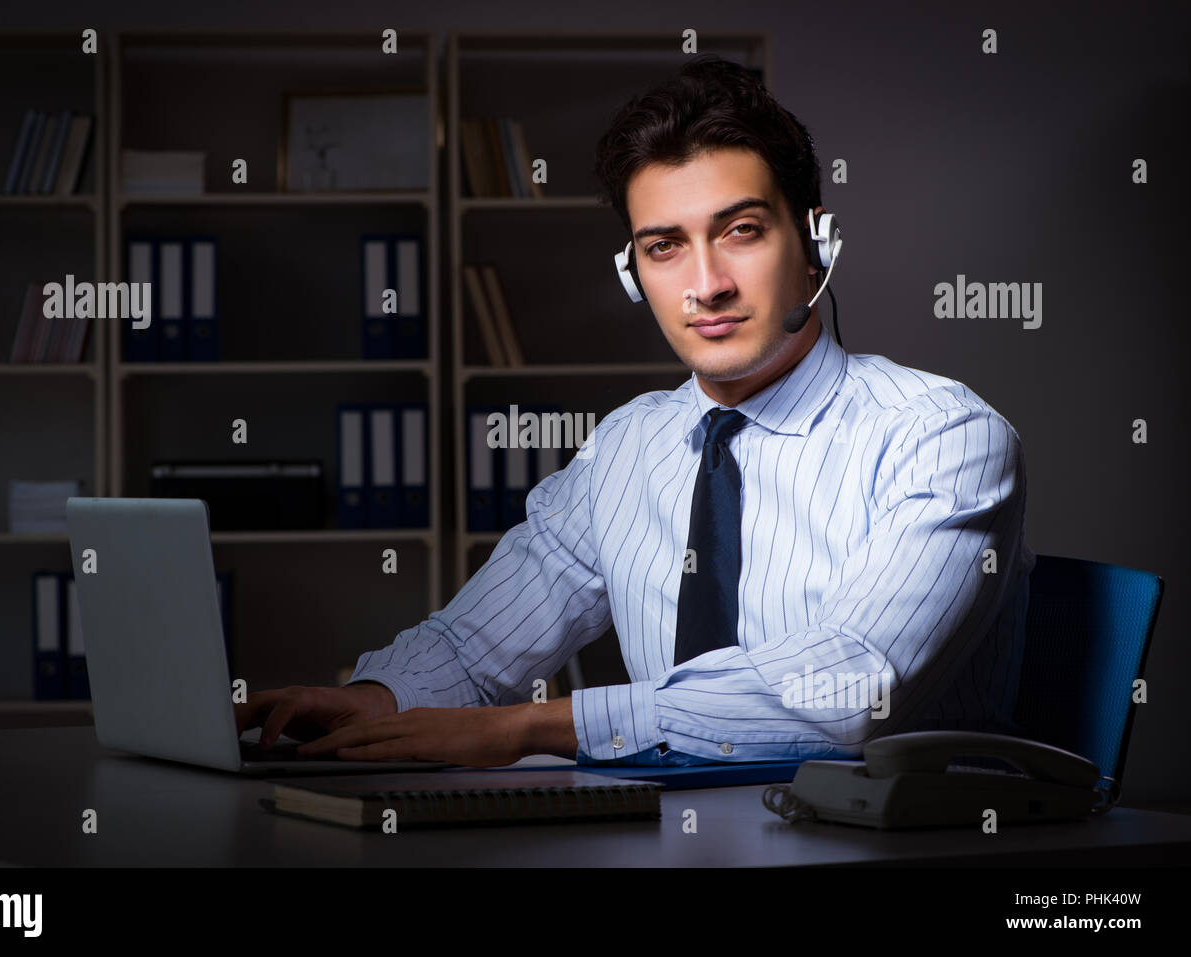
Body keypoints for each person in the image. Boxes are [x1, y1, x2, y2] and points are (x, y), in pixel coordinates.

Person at [235, 55, 1034, 769]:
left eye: (742, 231)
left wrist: (529, 728)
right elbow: (482, 640)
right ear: (633, 274)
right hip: (671, 834)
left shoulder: (941, 436)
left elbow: (854, 689)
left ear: (816, 242)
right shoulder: (626, 446)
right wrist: (380, 695)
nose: (707, 283)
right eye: (665, 247)